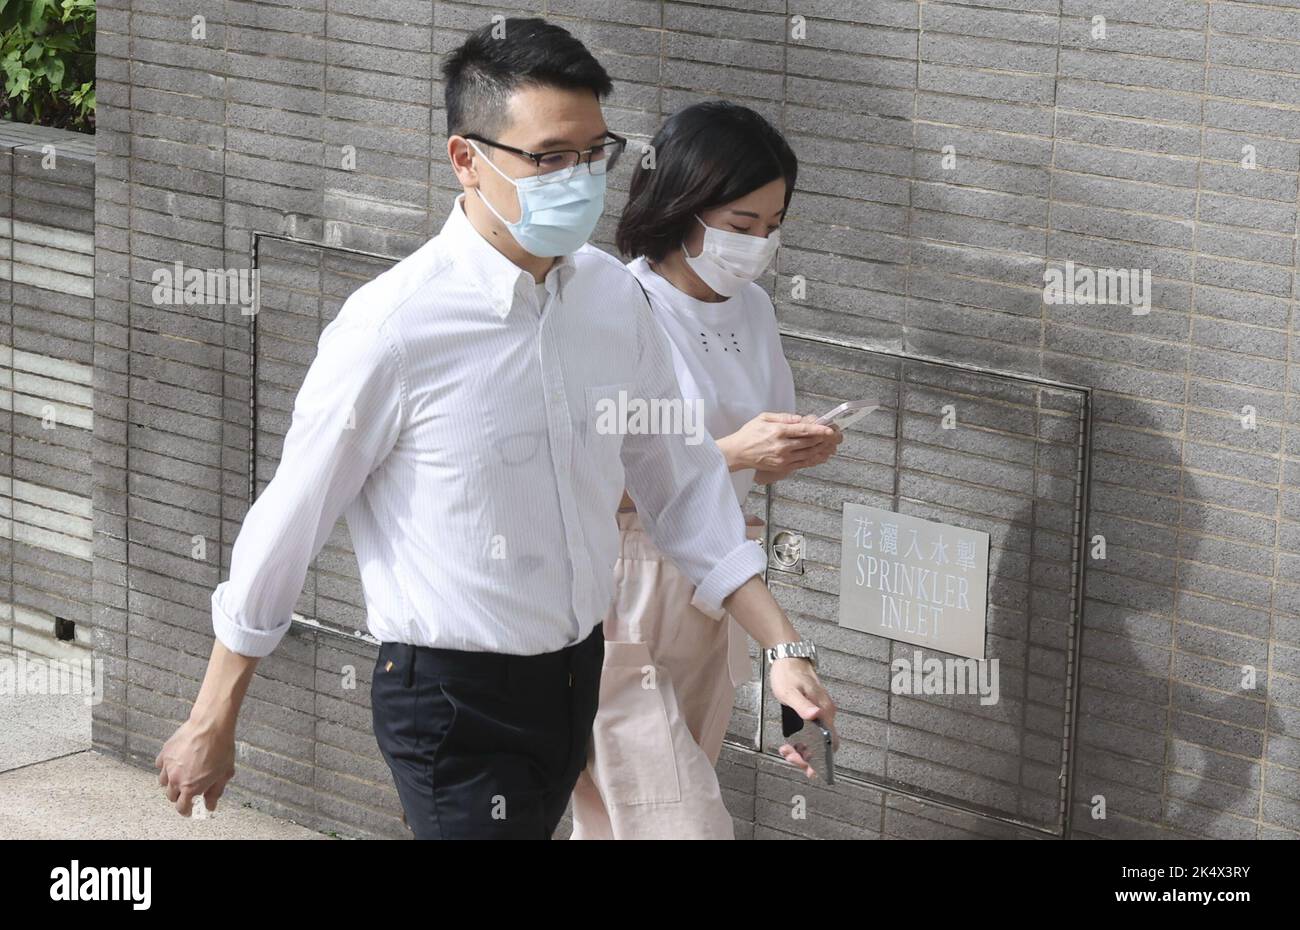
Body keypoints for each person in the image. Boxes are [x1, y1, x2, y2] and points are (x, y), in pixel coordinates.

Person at [154, 18, 837, 840]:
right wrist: (213, 713)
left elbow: (687, 491)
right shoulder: (395, 329)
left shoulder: (612, 304)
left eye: (594, 154)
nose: (577, 178)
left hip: (578, 673)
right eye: (547, 157)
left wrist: (782, 650)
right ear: (466, 158)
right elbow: (289, 521)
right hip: (450, 701)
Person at [570, 102, 842, 840]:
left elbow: (752, 465)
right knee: (675, 822)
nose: (758, 244)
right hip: (622, 583)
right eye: (740, 224)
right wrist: (735, 452)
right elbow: (584, 476)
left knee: (620, 820)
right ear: (682, 208)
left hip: (718, 585)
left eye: (772, 225)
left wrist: (788, 451)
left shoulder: (751, 309)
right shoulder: (616, 306)